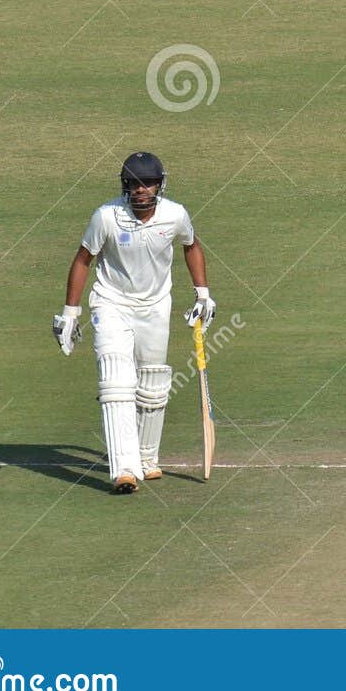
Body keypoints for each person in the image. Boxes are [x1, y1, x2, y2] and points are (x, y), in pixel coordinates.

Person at [52, 152, 216, 494]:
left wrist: (203, 294)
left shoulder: (174, 215)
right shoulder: (107, 217)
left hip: (155, 306)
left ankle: (145, 457)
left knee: (152, 383)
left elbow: (192, 245)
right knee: (116, 381)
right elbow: (84, 260)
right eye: (133, 184)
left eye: (148, 183)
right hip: (111, 303)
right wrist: (70, 312)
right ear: (124, 186)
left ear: (160, 184)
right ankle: (123, 470)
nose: (141, 190)